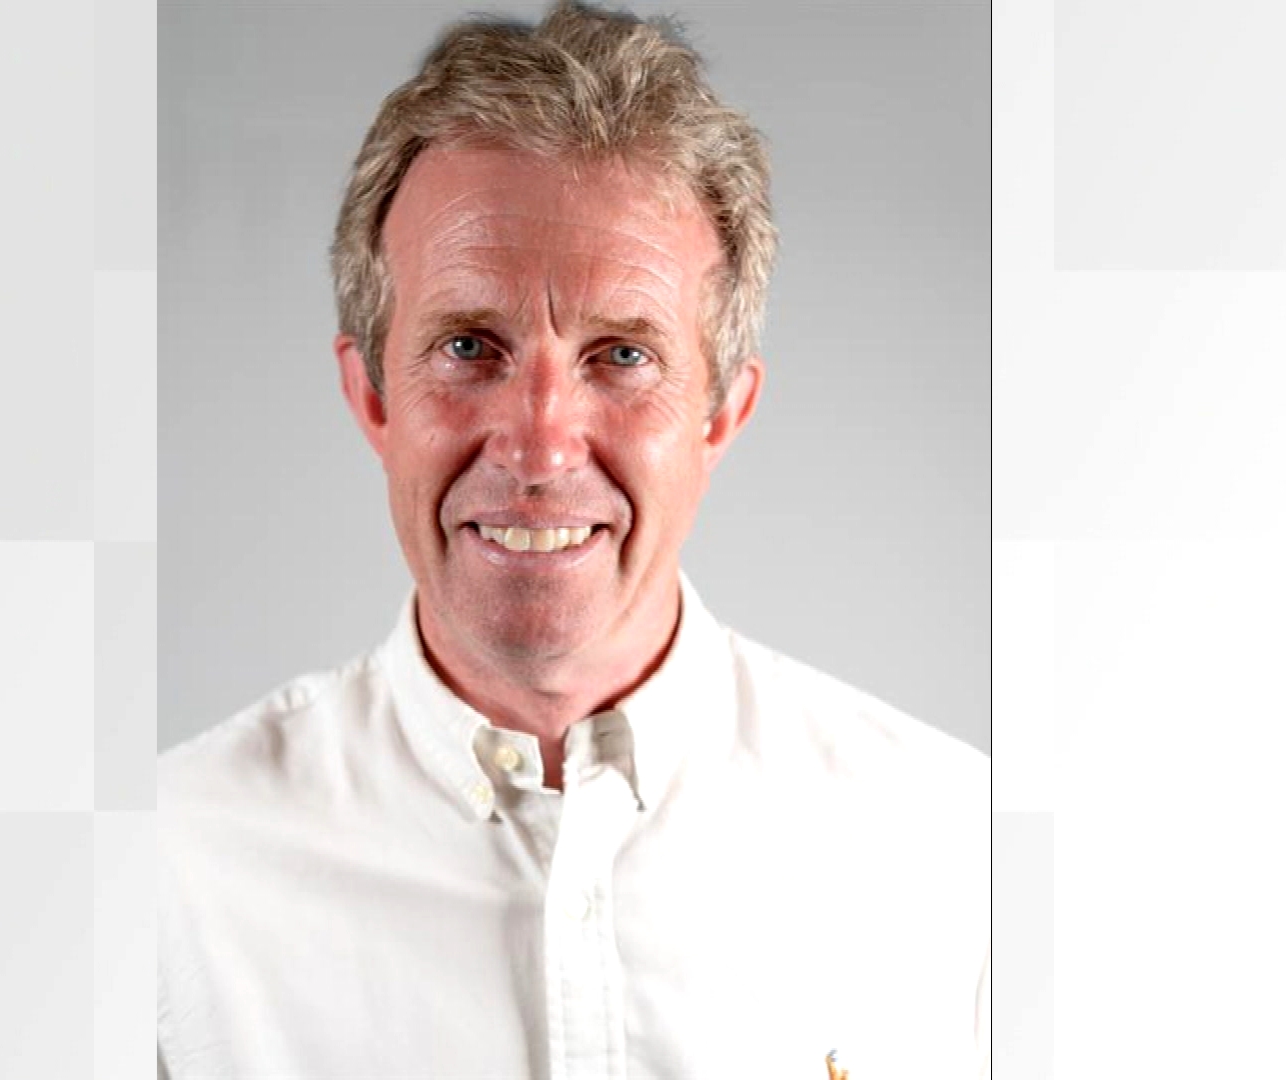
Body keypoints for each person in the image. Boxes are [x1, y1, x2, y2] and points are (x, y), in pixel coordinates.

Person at [158, 3, 989, 1078]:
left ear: (722, 415)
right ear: (371, 398)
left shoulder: (955, 846)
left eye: (622, 356)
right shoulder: (167, 875)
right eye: (469, 345)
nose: (541, 447)